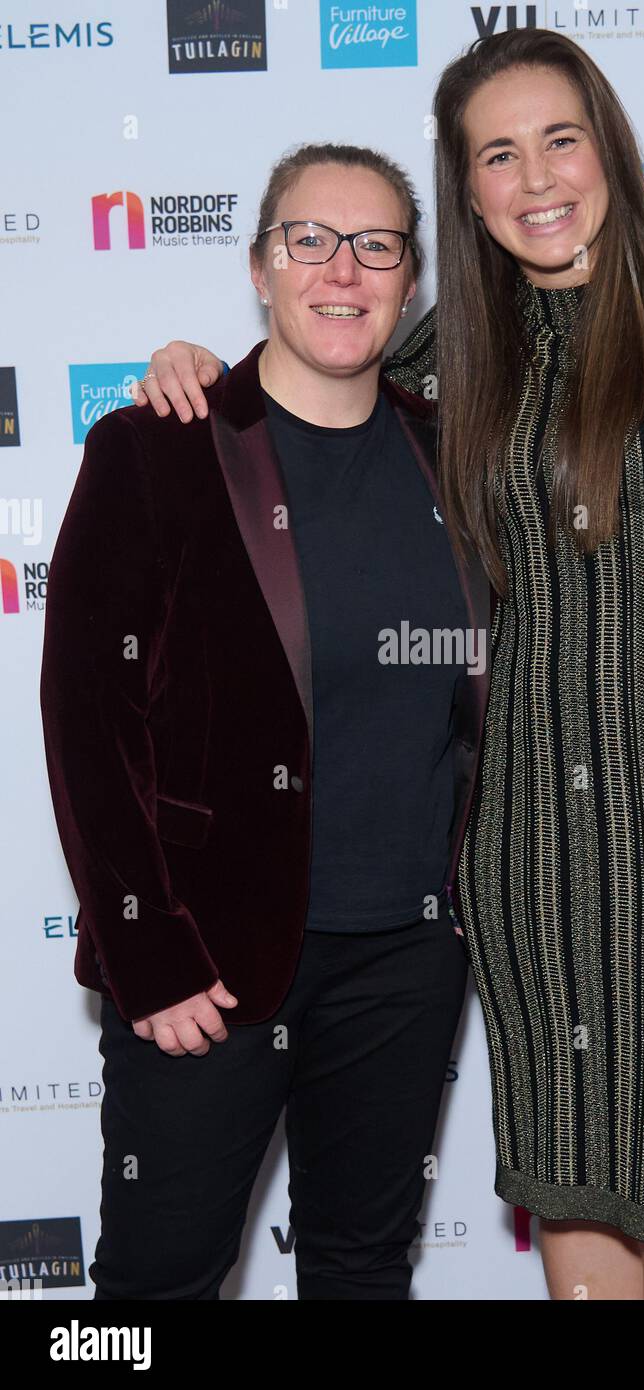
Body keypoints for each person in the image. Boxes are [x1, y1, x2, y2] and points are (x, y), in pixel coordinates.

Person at [134, 30, 644, 1304]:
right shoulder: (450, 349)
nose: (536, 177)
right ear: (465, 189)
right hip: (513, 857)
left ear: (608, 147)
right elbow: (308, 375)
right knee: (567, 1187)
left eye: (559, 138)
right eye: (495, 155)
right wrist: (191, 367)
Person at [40, 143, 493, 1300]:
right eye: (312, 239)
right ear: (260, 265)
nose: (343, 269)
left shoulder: (456, 456)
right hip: (209, 964)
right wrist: (148, 959)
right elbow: (90, 722)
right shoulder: (156, 447)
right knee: (157, 1283)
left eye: (377, 244)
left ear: (408, 280)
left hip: (405, 955)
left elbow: (565, 628)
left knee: (360, 1268)